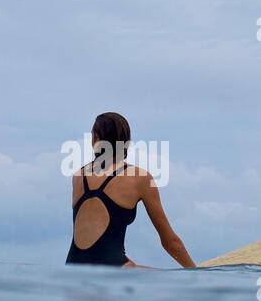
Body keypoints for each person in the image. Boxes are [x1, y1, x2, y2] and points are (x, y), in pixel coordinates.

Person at [66, 112, 194, 268]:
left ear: (95, 139)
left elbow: (94, 250)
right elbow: (171, 243)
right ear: (127, 142)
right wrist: (195, 275)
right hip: (114, 269)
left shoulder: (78, 176)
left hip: (73, 268)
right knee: (169, 278)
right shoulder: (140, 178)